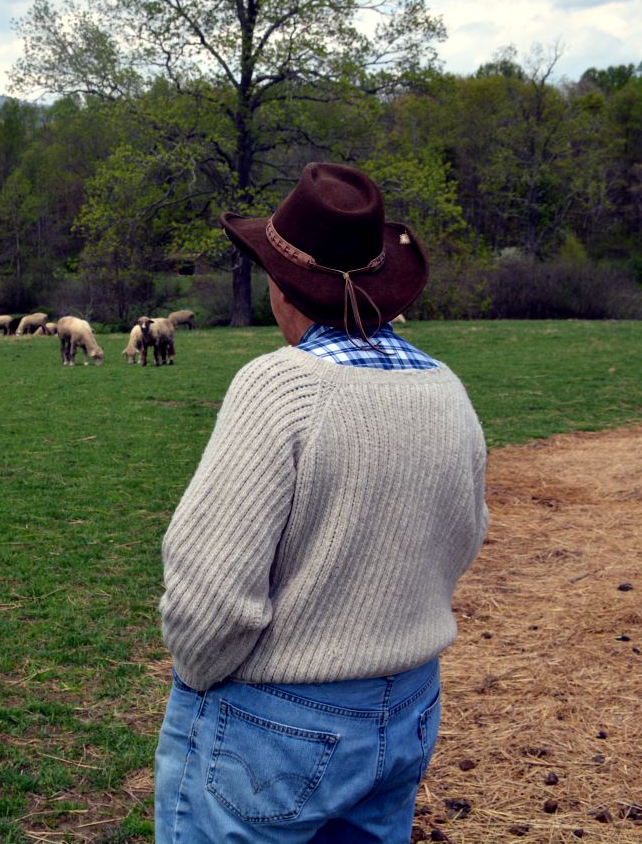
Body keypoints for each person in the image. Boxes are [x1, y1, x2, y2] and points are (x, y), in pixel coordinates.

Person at [154, 163, 489, 843]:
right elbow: (465, 534)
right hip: (410, 705)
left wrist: (199, 674)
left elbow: (208, 597)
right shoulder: (448, 390)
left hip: (276, 726)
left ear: (284, 289)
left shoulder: (280, 388)